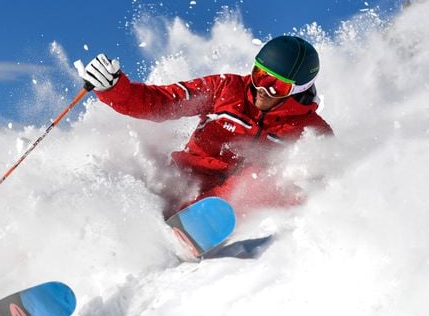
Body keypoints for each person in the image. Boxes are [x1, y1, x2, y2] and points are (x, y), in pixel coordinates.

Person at [80, 35, 333, 219]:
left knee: (259, 180)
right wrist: (114, 88)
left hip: (234, 205)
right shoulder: (225, 88)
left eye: (277, 86)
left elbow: (323, 183)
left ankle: (199, 221)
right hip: (183, 183)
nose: (262, 89)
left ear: (299, 89)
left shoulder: (311, 131)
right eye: (259, 76)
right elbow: (162, 102)